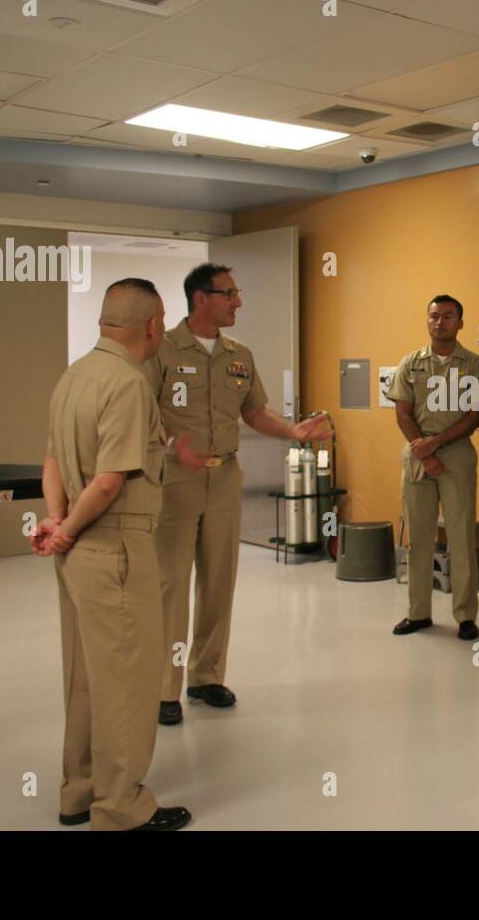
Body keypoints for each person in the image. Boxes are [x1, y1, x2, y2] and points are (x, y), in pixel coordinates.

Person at [33, 278, 192, 831]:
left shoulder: (73, 376)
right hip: (116, 544)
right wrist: (71, 528)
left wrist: (55, 523)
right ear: (152, 325)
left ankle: (77, 794)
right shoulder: (126, 383)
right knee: (126, 679)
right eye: (164, 319)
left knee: (83, 676)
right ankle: (121, 806)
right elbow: (108, 481)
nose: (166, 328)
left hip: (76, 551)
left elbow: (53, 461)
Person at [146, 263, 329, 727]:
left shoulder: (239, 355)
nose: (238, 302)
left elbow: (254, 412)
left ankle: (205, 676)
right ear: (200, 298)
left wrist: (292, 430)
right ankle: (164, 688)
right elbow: (141, 412)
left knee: (219, 580)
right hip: (175, 479)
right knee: (171, 584)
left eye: (237, 293)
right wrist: (171, 443)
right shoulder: (160, 350)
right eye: (229, 294)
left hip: (225, 477)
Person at [387, 295, 479, 639]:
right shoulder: (411, 363)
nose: (440, 322)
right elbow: (402, 412)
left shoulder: (474, 365)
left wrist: (438, 444)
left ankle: (466, 615)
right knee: (418, 538)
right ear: (427, 320)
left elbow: (475, 416)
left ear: (460, 323)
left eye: (448, 317)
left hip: (456, 454)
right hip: (418, 454)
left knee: (461, 537)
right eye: (434, 316)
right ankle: (418, 613)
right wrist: (425, 451)